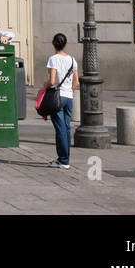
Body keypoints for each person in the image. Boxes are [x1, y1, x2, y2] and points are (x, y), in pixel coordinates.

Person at [45, 32, 78, 169]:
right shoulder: (72, 60)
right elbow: (76, 82)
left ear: (53, 43)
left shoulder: (53, 59)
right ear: (65, 44)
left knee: (60, 129)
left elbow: (52, 81)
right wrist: (69, 90)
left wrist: (44, 86)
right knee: (66, 128)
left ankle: (63, 160)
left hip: (57, 97)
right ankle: (66, 159)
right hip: (69, 97)